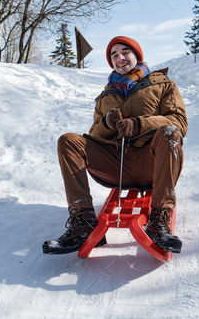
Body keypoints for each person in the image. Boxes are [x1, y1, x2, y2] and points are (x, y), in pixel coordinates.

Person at [42, 36, 188, 255]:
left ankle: (159, 220)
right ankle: (83, 222)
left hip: (151, 162)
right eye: (114, 55)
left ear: (137, 55)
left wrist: (139, 125)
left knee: (170, 132)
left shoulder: (163, 84)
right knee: (69, 141)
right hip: (115, 165)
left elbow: (178, 122)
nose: (120, 57)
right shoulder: (105, 95)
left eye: (125, 52)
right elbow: (94, 136)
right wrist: (107, 123)